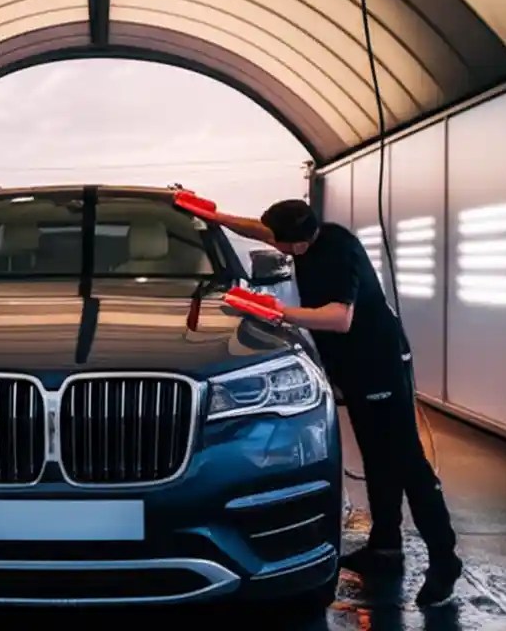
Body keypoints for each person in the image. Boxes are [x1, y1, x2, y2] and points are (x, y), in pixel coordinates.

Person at [197, 197, 463, 607]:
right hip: (354, 367)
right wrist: (214, 217)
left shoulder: (338, 252)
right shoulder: (304, 235)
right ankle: (386, 548)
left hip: (379, 364)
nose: (278, 248)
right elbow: (257, 227)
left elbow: (341, 318)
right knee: (375, 457)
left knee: (407, 461)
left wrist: (279, 312)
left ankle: (445, 559)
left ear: (299, 243)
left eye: (282, 245)